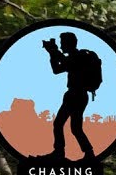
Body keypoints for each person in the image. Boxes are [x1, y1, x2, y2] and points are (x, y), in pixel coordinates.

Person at [42, 32, 102, 161]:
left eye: (63, 43)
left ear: (69, 43)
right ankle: (88, 152)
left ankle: (60, 152)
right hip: (77, 95)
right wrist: (52, 53)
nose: (61, 46)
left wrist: (53, 52)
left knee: (60, 124)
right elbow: (56, 70)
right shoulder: (76, 57)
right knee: (75, 127)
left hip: (76, 95)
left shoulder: (79, 57)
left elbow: (64, 62)